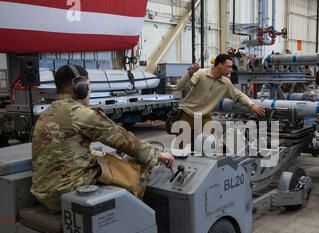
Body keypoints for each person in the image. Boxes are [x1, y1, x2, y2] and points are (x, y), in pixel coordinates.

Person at [31, 65, 174, 213]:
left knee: (102, 157)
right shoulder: (82, 114)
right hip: (66, 191)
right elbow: (122, 139)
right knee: (138, 168)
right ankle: (132, 219)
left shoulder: (47, 113)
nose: (90, 90)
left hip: (44, 192)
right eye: (89, 85)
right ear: (80, 88)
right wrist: (157, 155)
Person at [175, 54, 265, 129]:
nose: (230, 70)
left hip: (204, 117)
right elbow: (179, 87)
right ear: (219, 65)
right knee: (181, 146)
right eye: (228, 67)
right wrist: (190, 73)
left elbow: (239, 95)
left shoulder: (225, 83)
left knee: (212, 143)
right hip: (187, 114)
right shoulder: (201, 74)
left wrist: (251, 104)